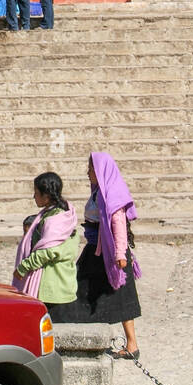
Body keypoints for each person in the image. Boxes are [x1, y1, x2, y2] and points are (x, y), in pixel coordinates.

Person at [50, 151, 142, 360]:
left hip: (112, 253)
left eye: (90, 168)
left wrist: (120, 255)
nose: (88, 172)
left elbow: (118, 224)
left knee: (122, 294)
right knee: (79, 286)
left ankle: (132, 344)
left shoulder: (112, 194)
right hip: (96, 249)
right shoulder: (98, 193)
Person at [12, 172, 79, 305]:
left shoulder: (55, 219)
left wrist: (23, 268)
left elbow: (48, 251)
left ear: (46, 196)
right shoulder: (60, 213)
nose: (34, 196)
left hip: (51, 285)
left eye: (36, 192)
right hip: (58, 282)